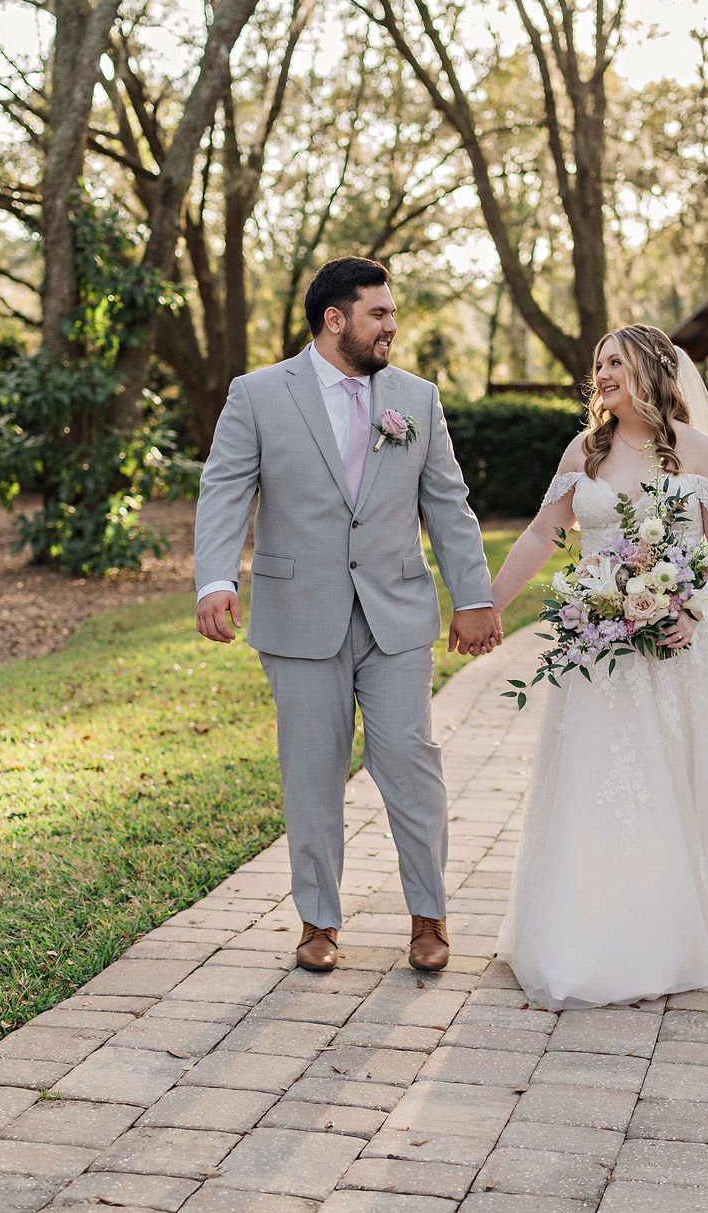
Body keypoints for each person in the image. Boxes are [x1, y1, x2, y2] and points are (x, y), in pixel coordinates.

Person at [192, 256, 502, 974]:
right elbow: (224, 490)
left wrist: (475, 595)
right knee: (311, 770)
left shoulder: (417, 399)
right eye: (379, 314)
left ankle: (429, 916)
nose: (392, 325)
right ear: (336, 320)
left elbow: (447, 504)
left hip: (395, 613)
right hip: (299, 615)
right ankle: (318, 921)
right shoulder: (259, 394)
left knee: (408, 762)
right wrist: (215, 579)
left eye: (392, 313)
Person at [487, 323, 708, 1009]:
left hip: (674, 652)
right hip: (598, 651)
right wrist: (487, 606)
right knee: (594, 780)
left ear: (653, 371)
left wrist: (689, 607)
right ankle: (587, 928)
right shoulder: (585, 451)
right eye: (598, 363)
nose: (601, 373)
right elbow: (545, 532)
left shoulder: (698, 454)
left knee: (671, 778)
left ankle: (676, 924)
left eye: (615, 362)